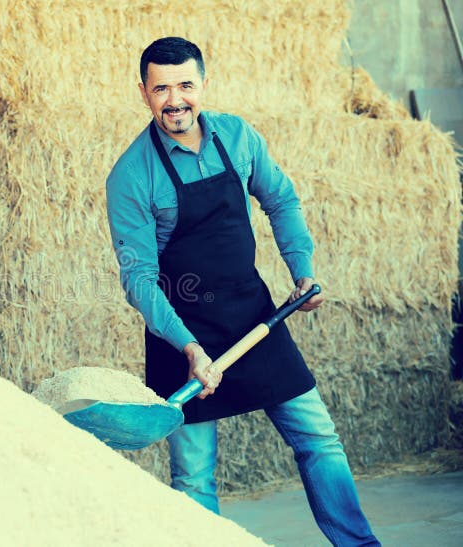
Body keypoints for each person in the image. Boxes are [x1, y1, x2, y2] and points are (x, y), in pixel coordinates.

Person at [105, 37, 380, 546]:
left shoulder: (237, 137)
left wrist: (301, 269)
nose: (175, 99)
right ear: (143, 92)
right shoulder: (131, 175)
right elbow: (138, 277)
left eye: (185, 84)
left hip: (255, 320)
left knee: (319, 438)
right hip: (181, 336)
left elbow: (282, 199)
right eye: (161, 88)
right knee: (192, 476)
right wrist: (188, 347)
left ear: (203, 85)